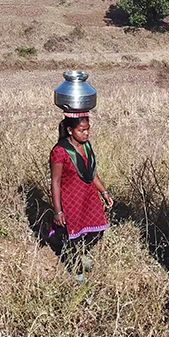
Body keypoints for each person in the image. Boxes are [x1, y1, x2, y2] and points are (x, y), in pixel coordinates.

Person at [50, 116, 112, 280]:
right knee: (74, 237)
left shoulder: (86, 145)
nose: (86, 133)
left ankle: (83, 254)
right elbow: (55, 181)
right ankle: (78, 272)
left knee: (97, 231)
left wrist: (104, 192)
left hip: (89, 197)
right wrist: (58, 211)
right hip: (71, 200)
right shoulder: (60, 151)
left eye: (87, 129)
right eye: (81, 130)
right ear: (70, 130)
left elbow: (91, 172)